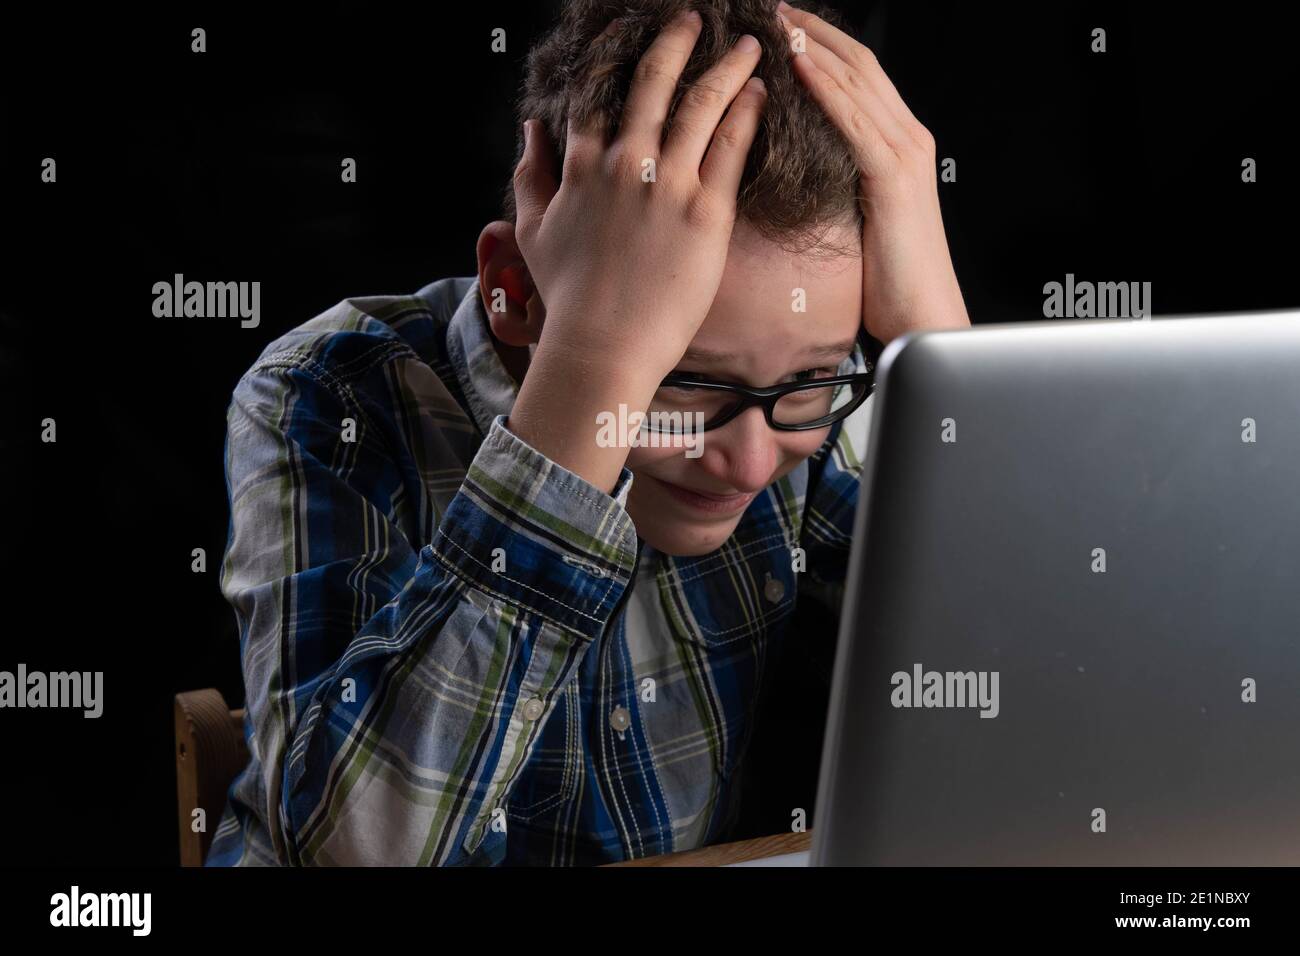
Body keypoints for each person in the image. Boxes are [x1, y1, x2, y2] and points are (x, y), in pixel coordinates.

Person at [206, 0, 969, 867]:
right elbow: (355, 852)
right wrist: (596, 365)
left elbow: (1043, 704)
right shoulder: (328, 396)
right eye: (681, 378)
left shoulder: (812, 405)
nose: (753, 460)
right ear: (518, 292)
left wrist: (941, 360)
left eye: (809, 379)